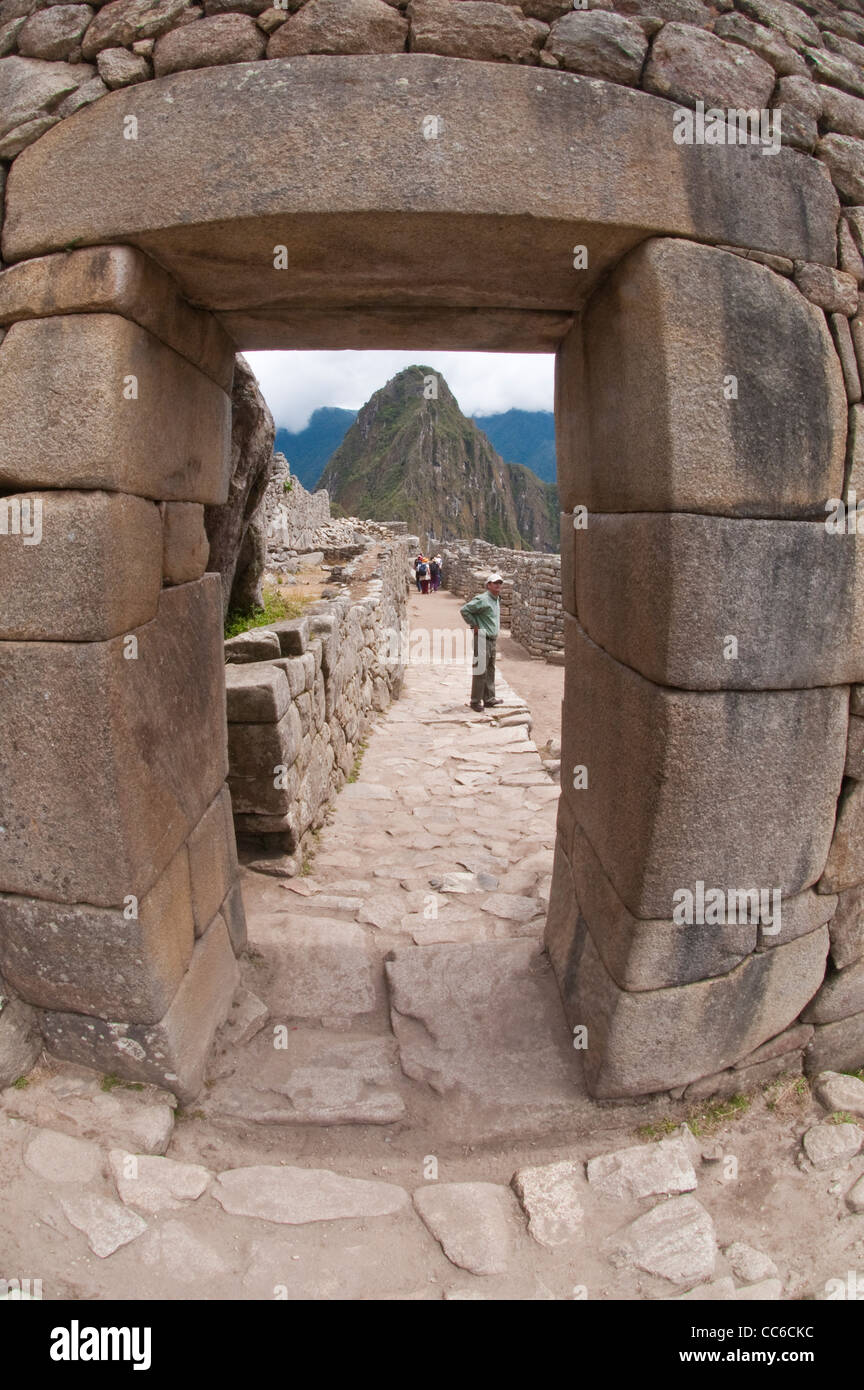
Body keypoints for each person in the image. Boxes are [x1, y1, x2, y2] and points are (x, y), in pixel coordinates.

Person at [460, 571, 503, 711]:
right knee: (480, 670)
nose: (498, 585)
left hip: (492, 639)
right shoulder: (483, 599)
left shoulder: (496, 599)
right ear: (488, 585)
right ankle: (475, 701)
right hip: (483, 638)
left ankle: (489, 698)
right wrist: (474, 625)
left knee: (490, 669)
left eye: (500, 583)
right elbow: (465, 610)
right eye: (495, 583)